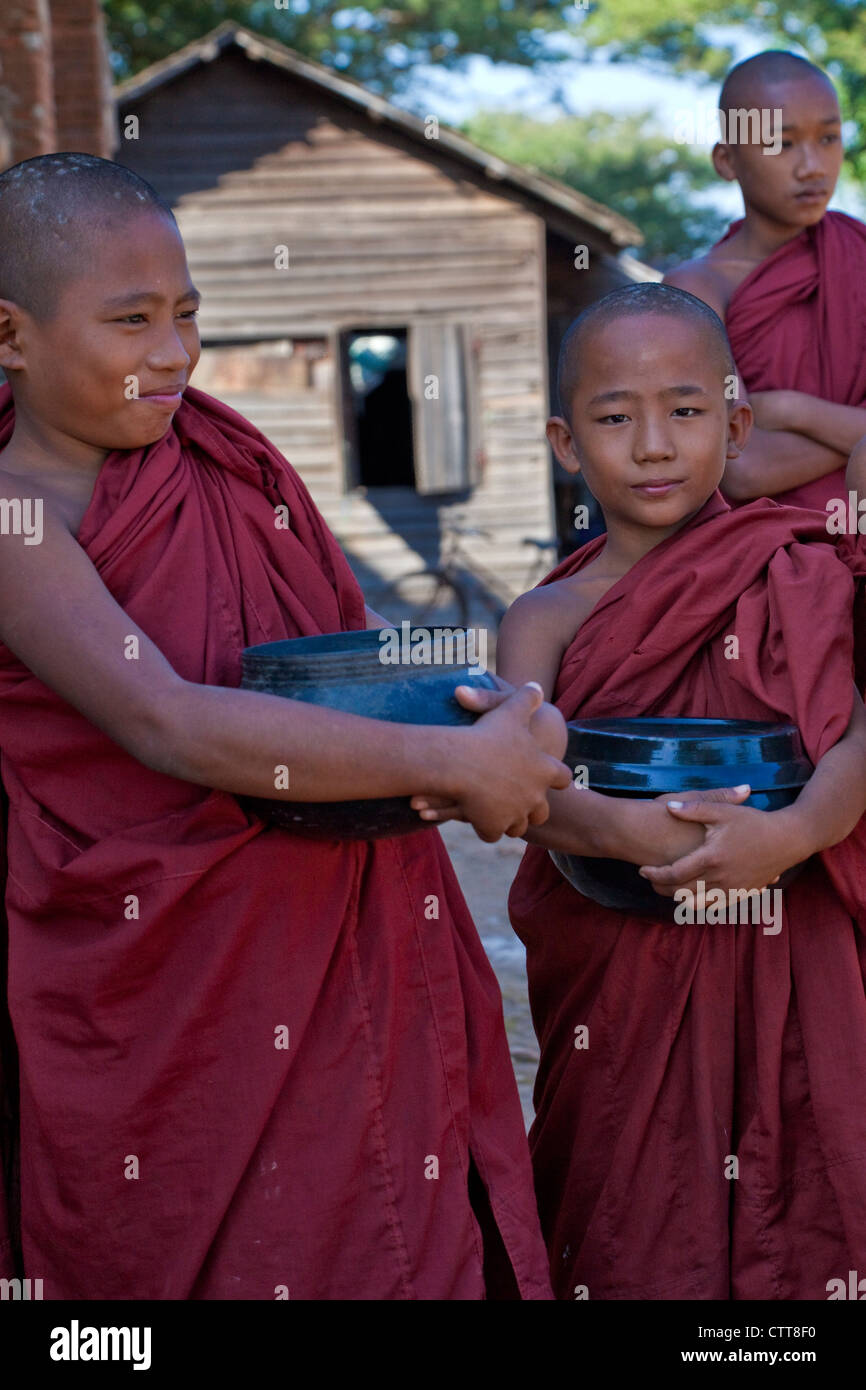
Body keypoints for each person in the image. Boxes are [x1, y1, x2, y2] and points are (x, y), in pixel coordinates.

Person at [0, 151, 589, 1301]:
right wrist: (449, 762)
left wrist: (480, 711)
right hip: (162, 978)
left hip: (334, 926)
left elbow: (344, 658)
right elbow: (163, 720)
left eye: (187, 316)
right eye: (130, 321)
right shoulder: (13, 517)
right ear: (9, 336)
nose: (172, 353)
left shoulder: (227, 465)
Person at [493, 282, 866, 1299]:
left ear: (734, 424)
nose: (652, 444)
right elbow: (524, 778)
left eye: (685, 411)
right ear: (567, 444)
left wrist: (790, 832)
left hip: (793, 937)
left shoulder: (803, 568)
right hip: (620, 963)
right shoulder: (547, 617)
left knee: (809, 1204)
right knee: (632, 1222)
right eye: (615, 418)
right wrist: (635, 832)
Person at [664, 50, 866, 511]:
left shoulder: (858, 256)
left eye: (830, 137)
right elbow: (744, 467)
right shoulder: (697, 289)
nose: (813, 166)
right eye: (782, 143)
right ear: (726, 160)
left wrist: (795, 410)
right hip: (768, 553)